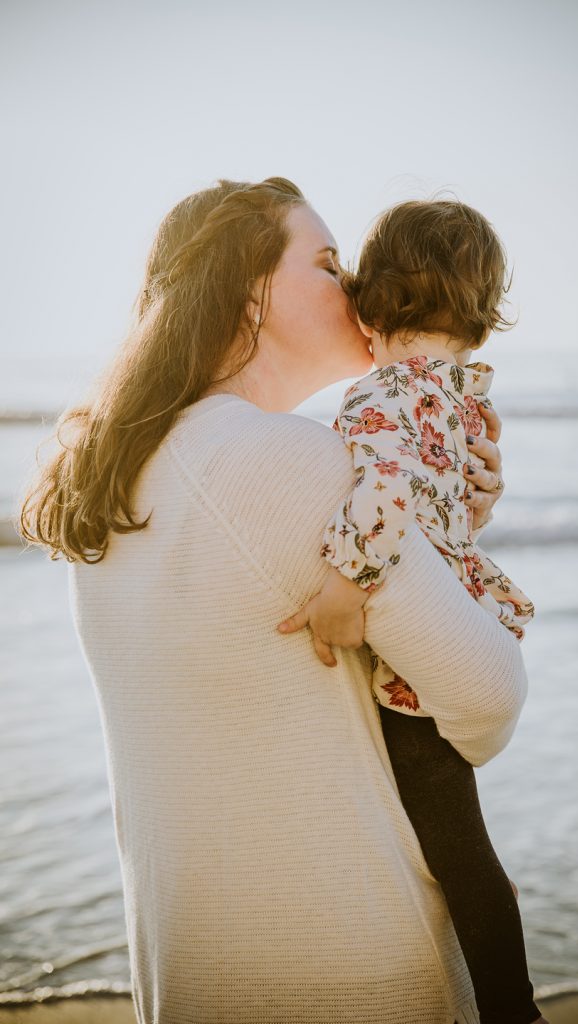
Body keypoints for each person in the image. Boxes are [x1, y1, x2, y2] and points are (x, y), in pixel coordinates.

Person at [19, 177, 547, 1024]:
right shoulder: (295, 465)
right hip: (354, 974)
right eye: (328, 262)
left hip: (191, 977)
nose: (354, 286)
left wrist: (443, 517)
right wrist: (452, 554)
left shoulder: (111, 481)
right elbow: (487, 697)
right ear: (252, 289)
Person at [277, 200, 541, 1024]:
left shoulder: (380, 394)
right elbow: (449, 504)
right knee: (459, 839)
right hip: (457, 628)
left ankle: (508, 1007)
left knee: (451, 845)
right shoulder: (463, 398)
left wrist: (341, 587)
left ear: (372, 299)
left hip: (412, 667)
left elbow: (386, 488)